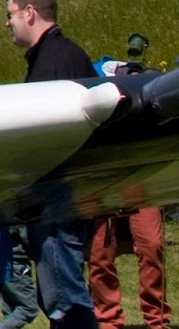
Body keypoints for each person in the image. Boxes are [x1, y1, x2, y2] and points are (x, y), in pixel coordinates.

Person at [5, 0, 97, 329]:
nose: (7, 23)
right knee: (60, 293)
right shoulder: (58, 56)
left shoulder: (54, 62)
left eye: (10, 14)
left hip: (59, 200)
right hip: (63, 198)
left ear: (30, 13)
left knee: (64, 298)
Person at [86, 34, 169, 329]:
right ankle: (107, 319)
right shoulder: (97, 75)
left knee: (152, 246)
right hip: (106, 176)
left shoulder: (155, 90)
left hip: (140, 177)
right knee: (100, 253)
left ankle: (156, 318)